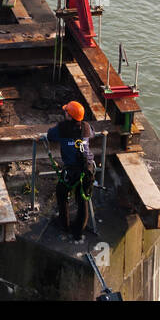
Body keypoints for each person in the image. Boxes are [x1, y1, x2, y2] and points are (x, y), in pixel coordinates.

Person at [47, 101, 96, 242]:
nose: (65, 113)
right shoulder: (86, 127)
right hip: (88, 169)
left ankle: (64, 224)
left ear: (69, 115)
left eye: (66, 112)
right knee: (83, 199)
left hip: (72, 171)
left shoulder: (62, 128)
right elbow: (92, 133)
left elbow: (50, 135)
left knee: (61, 193)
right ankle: (78, 231)